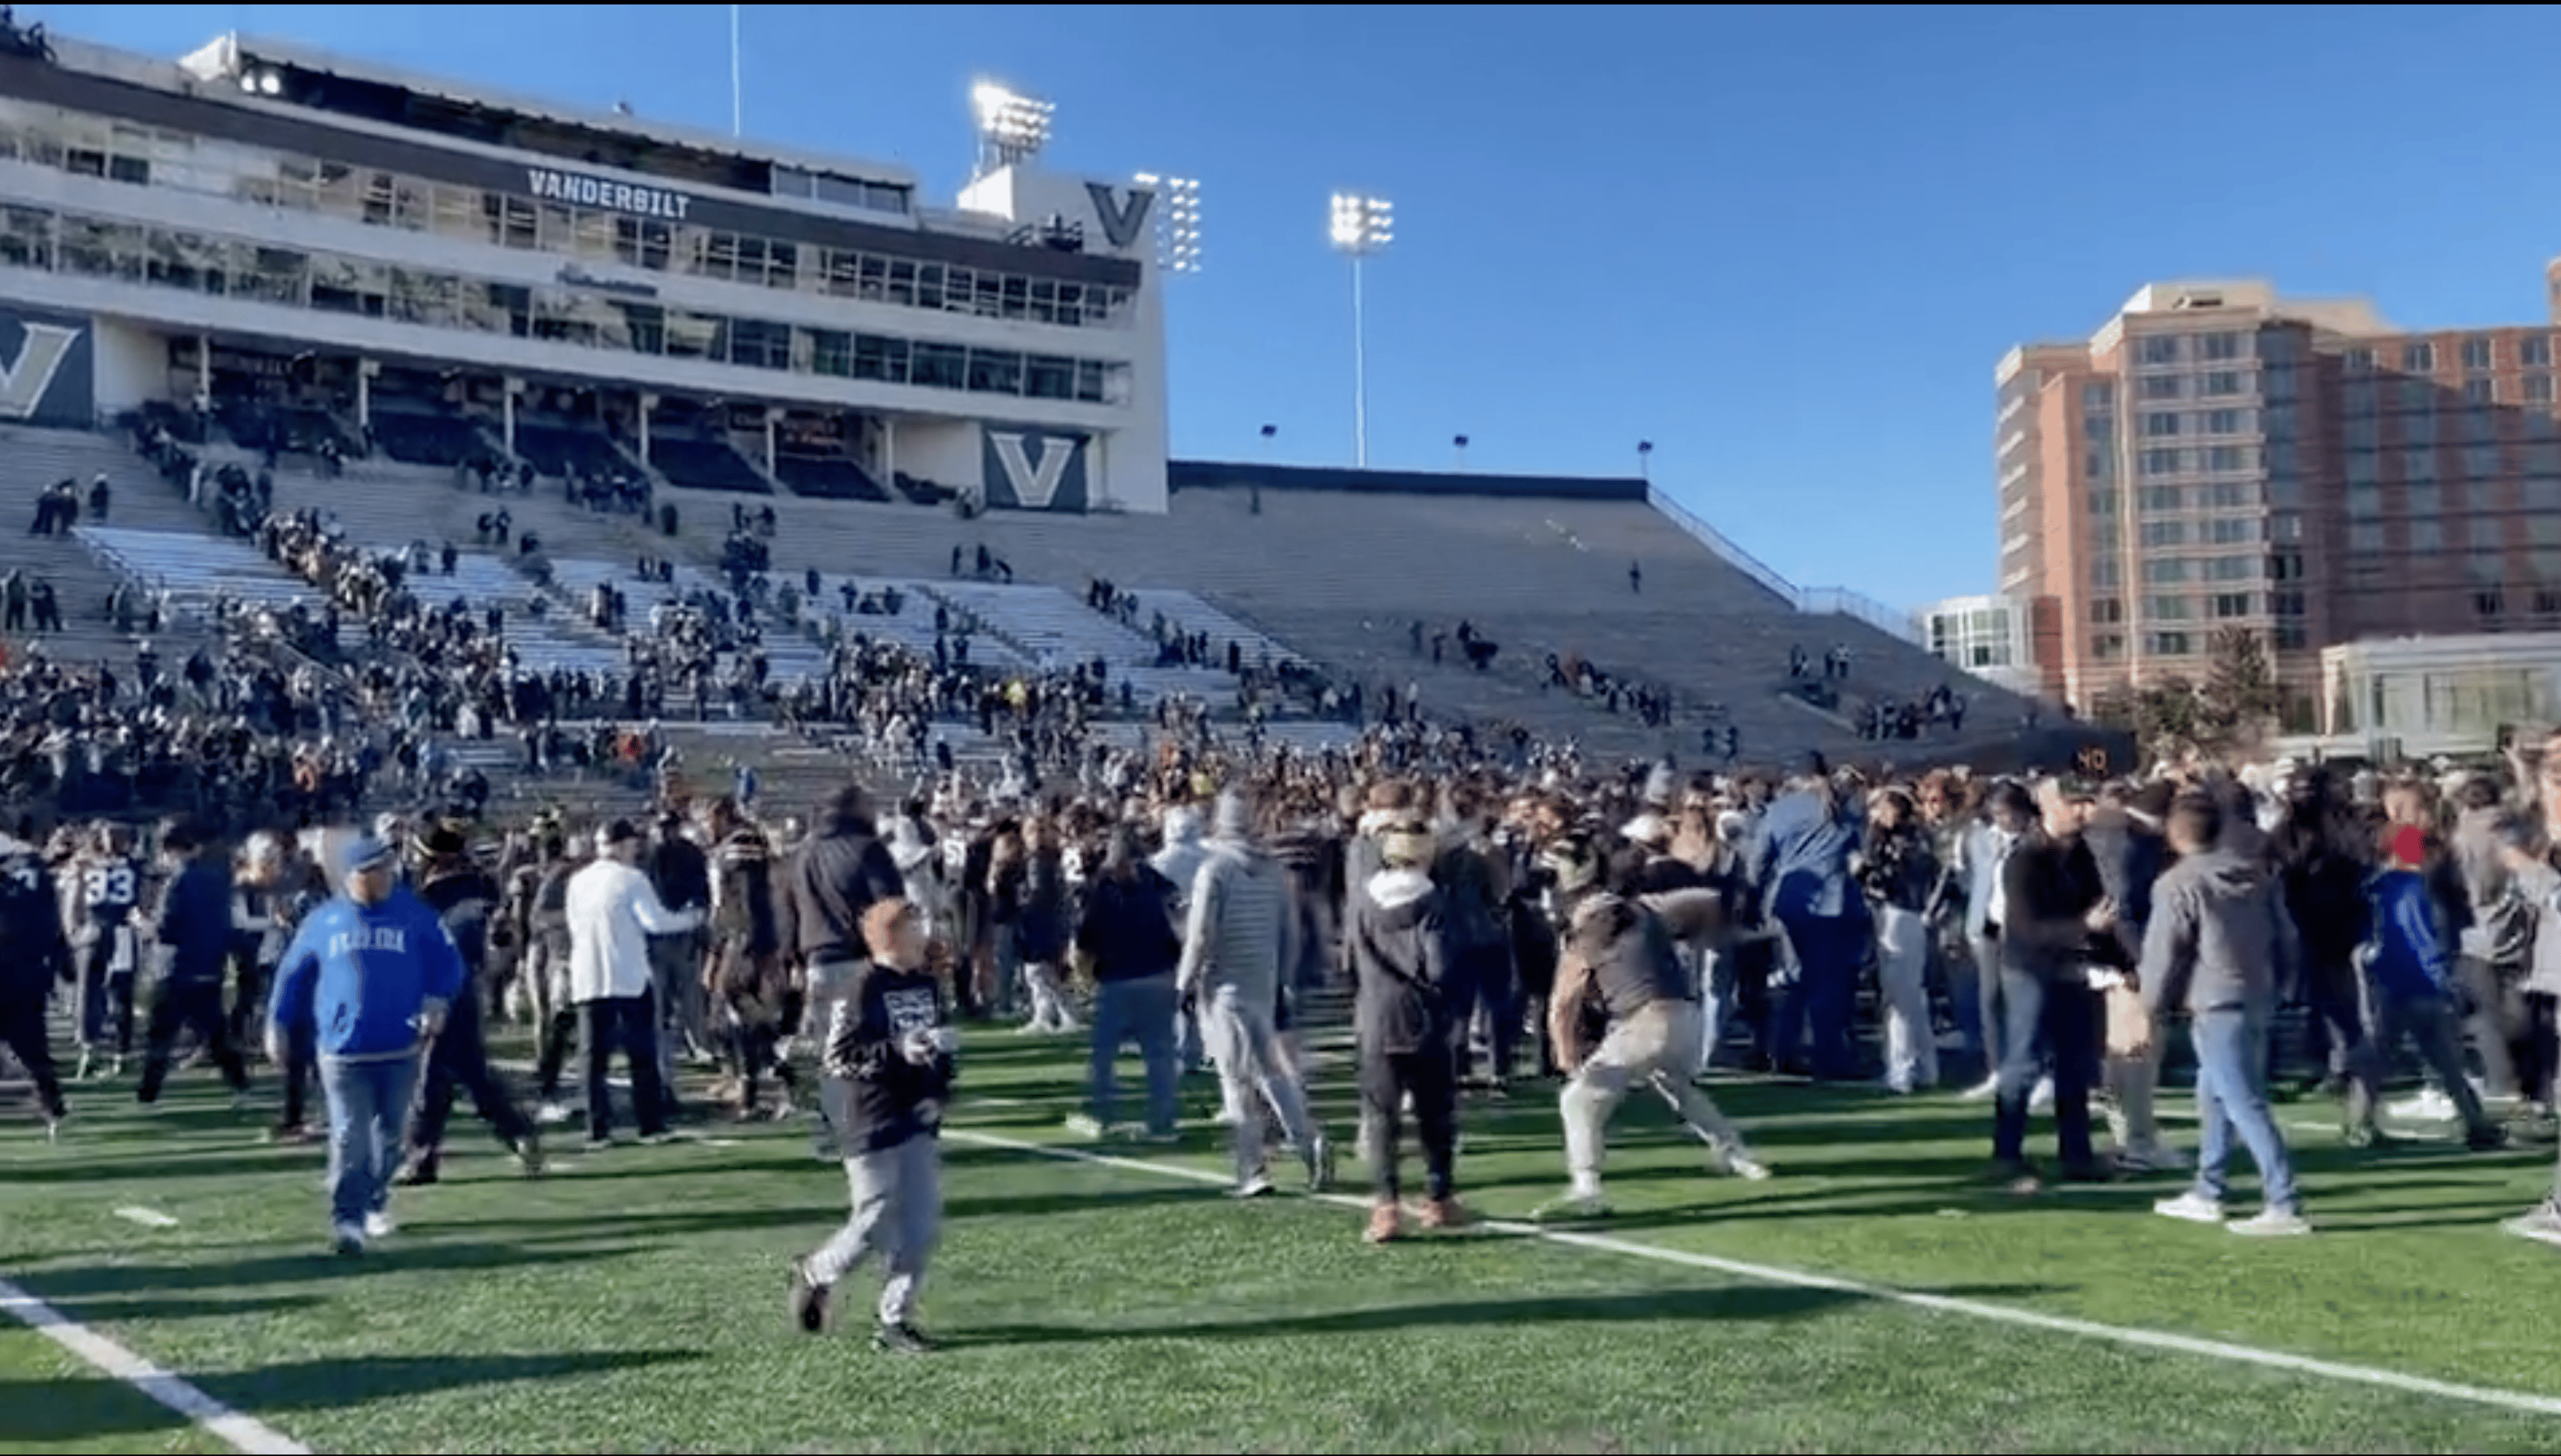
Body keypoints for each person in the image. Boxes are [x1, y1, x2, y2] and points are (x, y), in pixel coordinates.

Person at [266, 835, 465, 1256]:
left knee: (390, 1133)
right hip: (342, 1050)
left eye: (387, 869)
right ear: (354, 877)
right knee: (349, 1135)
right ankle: (347, 1219)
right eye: (375, 871)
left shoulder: (414, 915)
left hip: (400, 1045)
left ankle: (375, 1200)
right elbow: (291, 976)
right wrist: (277, 1025)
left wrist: (438, 998)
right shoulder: (324, 921)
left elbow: (449, 963)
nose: (385, 877)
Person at [789, 897, 955, 1352]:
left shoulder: (927, 983)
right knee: (877, 1218)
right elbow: (839, 1058)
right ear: (892, 936)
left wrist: (938, 1090)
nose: (924, 935)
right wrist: (898, 1049)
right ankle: (817, 1271)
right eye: (915, 926)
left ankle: (894, 1320)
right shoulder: (861, 986)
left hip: (916, 1115)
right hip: (871, 1115)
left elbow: (940, 1047)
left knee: (920, 1225)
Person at [2140, 792, 2310, 1236]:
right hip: (2257, 994)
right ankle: (2208, 1189)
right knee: (2214, 1097)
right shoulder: (2255, 876)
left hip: (2215, 1000)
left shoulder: (2179, 883)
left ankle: (2283, 1200)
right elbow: (2286, 934)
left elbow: (2163, 952)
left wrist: (2149, 1006)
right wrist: (2286, 982)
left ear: (2175, 834)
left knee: (2242, 1101)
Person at [1347, 816, 1466, 1241]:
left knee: (1382, 1118)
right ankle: (1439, 1199)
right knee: (1435, 1113)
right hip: (1427, 1020)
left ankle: (1386, 1209)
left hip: (1377, 1017)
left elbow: (1349, 962)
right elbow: (1439, 966)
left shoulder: (1362, 900)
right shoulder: (1435, 902)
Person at [565, 819, 703, 1149]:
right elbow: (655, 922)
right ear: (624, 844)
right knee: (641, 1055)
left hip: (588, 977)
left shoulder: (578, 881)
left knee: (593, 1058)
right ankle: (649, 1124)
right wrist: (693, 918)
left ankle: (597, 1129)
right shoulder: (631, 879)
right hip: (628, 975)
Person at [0, 822, 71, 1138]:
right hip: (27, 972)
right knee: (34, 1049)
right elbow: (49, 923)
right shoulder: (33, 873)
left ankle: (49, 1104)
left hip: (14, 971)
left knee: (31, 1049)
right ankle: (52, 1107)